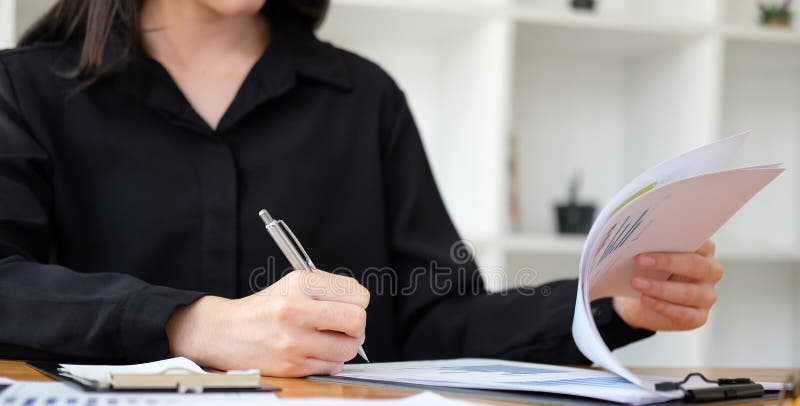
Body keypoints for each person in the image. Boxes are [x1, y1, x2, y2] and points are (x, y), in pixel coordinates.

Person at [0, 0, 723, 377]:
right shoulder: (24, 90)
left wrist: (612, 300)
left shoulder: (363, 99)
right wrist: (194, 324)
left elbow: (439, 320)